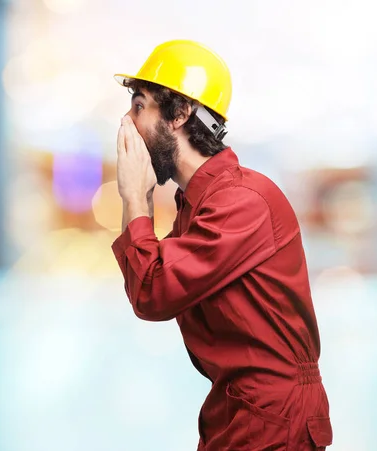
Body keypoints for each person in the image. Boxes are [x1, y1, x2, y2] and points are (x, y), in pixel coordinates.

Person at [112, 39, 333, 450]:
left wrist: (132, 197)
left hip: (272, 421)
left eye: (139, 105)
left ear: (179, 114)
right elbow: (150, 287)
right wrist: (139, 198)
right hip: (237, 411)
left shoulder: (240, 202)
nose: (127, 121)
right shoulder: (197, 204)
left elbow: (152, 294)